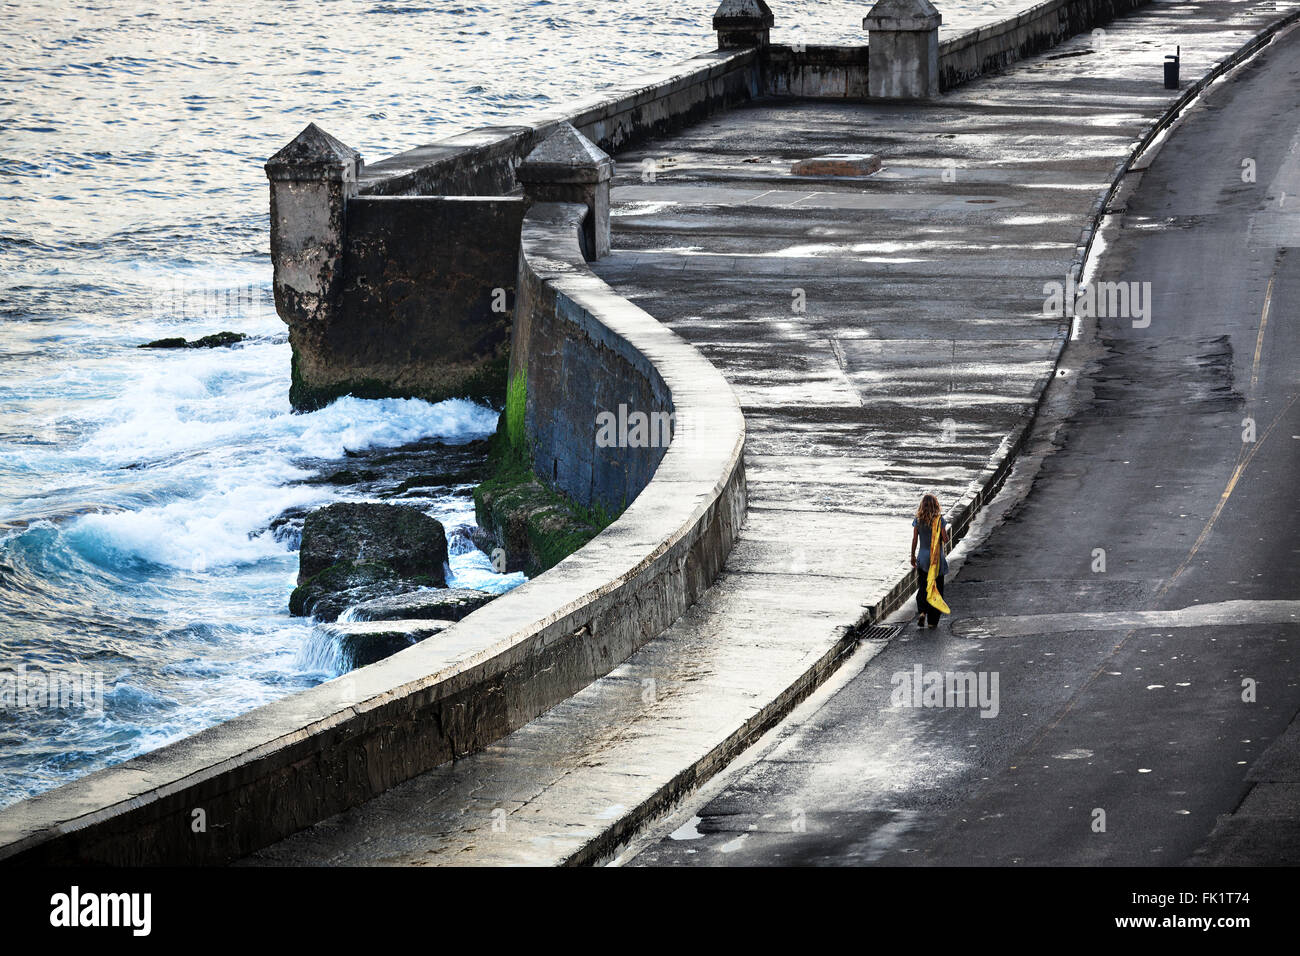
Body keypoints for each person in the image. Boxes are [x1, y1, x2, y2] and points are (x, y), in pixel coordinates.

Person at [909, 493, 951, 628]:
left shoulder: (918, 520)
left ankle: (922, 612)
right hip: (936, 560)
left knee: (923, 586)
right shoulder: (939, 520)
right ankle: (932, 622)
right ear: (936, 505)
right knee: (937, 589)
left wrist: (912, 556)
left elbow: (915, 539)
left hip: (923, 557)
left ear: (922, 505)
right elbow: (945, 539)